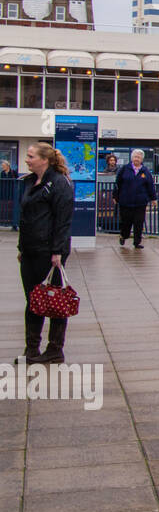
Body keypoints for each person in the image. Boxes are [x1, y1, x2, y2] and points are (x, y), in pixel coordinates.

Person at [16, 143, 74, 364]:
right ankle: (31, 349)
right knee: (32, 300)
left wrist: (58, 251)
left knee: (54, 299)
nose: (27, 160)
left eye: (31, 156)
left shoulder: (60, 184)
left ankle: (54, 349)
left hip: (49, 253)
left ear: (44, 160)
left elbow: (63, 220)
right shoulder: (31, 182)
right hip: (30, 250)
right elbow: (27, 219)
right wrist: (22, 248)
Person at [114, 148, 157, 249]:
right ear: (131, 158)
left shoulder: (145, 171)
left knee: (139, 222)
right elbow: (117, 184)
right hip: (126, 201)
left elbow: (150, 186)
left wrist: (153, 198)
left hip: (140, 202)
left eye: (138, 157)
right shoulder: (124, 169)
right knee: (126, 222)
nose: (136, 159)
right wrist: (115, 196)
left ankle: (137, 242)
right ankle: (123, 235)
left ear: (142, 159)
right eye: (135, 156)